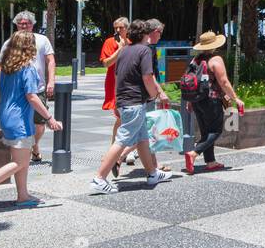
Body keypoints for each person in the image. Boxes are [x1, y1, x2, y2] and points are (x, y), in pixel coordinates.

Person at [0, 31, 63, 213]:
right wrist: (50, 119)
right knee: (19, 162)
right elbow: (32, 96)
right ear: (29, 47)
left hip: (5, 117)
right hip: (20, 120)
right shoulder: (27, 68)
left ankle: (23, 196)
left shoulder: (6, 68)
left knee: (22, 159)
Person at [89, 18, 177, 194]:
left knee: (143, 138)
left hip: (123, 100)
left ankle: (152, 173)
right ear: (145, 34)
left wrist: (116, 100)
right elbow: (147, 76)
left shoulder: (123, 51)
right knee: (122, 140)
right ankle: (99, 178)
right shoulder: (144, 50)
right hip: (135, 101)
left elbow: (117, 75)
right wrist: (155, 95)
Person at [182, 30, 243, 174]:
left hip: (197, 100)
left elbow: (191, 80)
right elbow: (223, 82)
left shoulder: (195, 60)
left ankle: (211, 162)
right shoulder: (216, 60)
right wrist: (236, 98)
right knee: (215, 130)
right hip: (211, 100)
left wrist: (190, 101)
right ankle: (194, 153)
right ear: (215, 45)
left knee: (205, 132)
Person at [0, 11, 55, 164]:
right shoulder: (9, 42)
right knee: (22, 122)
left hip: (38, 88)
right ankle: (23, 153)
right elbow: (1, 66)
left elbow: (50, 60)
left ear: (33, 24)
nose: (24, 26)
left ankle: (32, 147)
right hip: (17, 92)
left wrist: (51, 81)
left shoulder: (42, 40)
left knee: (39, 123)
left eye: (27, 23)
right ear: (16, 25)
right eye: (21, 23)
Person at [99, 18, 133, 177]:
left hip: (129, 85)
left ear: (127, 28)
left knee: (124, 119)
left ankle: (119, 150)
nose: (118, 30)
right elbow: (106, 63)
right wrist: (119, 50)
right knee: (121, 118)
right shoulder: (109, 42)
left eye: (121, 27)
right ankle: (117, 150)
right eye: (116, 27)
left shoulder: (132, 42)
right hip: (115, 85)